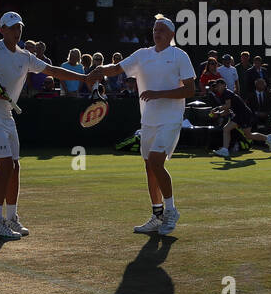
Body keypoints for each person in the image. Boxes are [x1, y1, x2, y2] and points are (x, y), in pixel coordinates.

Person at [0, 11, 96, 240]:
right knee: (5, 166)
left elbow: (53, 71)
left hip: (6, 114)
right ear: (2, 30)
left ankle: (11, 218)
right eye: (11, 27)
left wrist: (83, 78)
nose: (16, 31)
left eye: (19, 27)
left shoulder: (26, 56)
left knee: (15, 166)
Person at [84, 15, 196, 236]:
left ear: (172, 34)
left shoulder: (179, 56)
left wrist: (158, 94)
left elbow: (190, 90)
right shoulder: (142, 55)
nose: (157, 32)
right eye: (155, 29)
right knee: (149, 166)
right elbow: (116, 68)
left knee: (156, 162)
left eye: (162, 29)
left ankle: (171, 210)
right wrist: (99, 70)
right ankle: (157, 215)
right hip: (148, 120)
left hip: (171, 119)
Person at [208, 79, 271, 157]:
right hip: (241, 115)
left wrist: (217, 109)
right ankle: (268, 138)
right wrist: (217, 114)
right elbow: (227, 111)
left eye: (218, 86)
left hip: (244, 114)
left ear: (224, 85)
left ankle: (225, 150)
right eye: (216, 87)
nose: (217, 88)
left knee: (227, 129)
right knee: (248, 135)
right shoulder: (224, 95)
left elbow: (228, 106)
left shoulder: (226, 92)